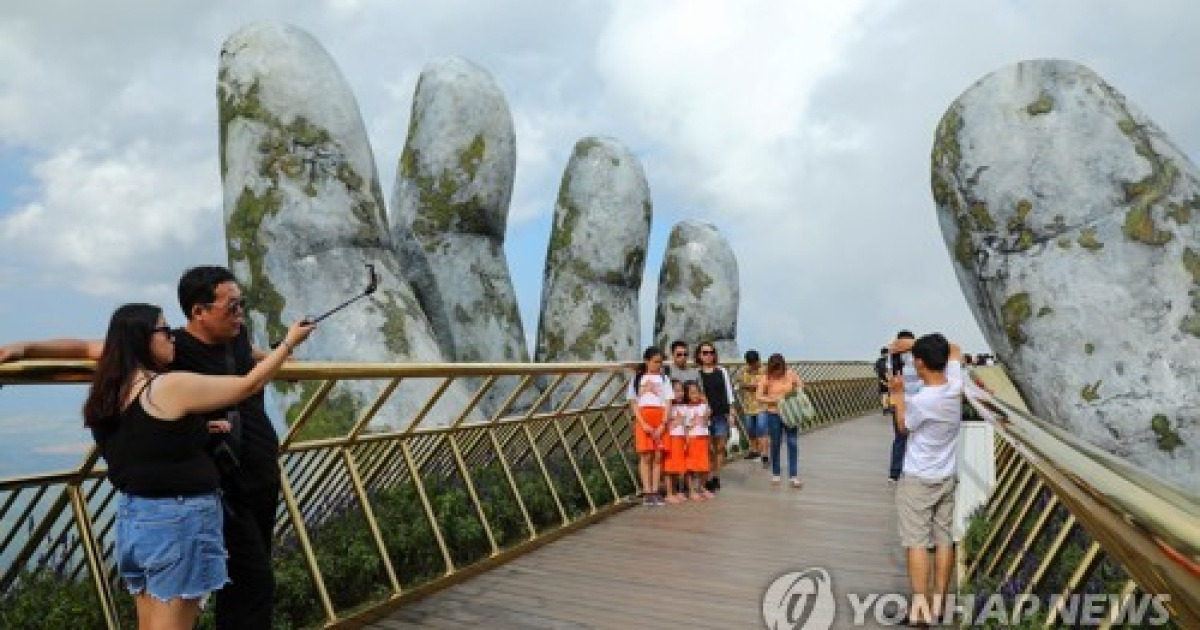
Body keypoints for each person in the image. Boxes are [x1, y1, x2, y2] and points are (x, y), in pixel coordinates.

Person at [1, 266, 290, 629]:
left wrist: (204, 427)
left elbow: (245, 362)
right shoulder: (170, 372)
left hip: (207, 497)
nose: (239, 314)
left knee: (170, 614)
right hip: (187, 512)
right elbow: (85, 346)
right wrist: (24, 347)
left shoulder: (229, 344)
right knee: (245, 588)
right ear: (199, 311)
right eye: (232, 306)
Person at [81, 302, 312, 629]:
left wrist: (198, 429)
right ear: (144, 339)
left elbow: (147, 442)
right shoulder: (167, 386)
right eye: (164, 330)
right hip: (177, 522)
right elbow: (247, 386)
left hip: (135, 519)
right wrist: (288, 344)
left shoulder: (110, 391)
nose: (172, 338)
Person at [888, 333, 963, 626]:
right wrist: (916, 344)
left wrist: (897, 396)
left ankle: (919, 611)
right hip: (946, 474)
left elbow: (903, 426)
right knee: (944, 539)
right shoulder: (955, 386)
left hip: (919, 478)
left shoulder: (922, 400)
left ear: (919, 363)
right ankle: (938, 606)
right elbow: (955, 348)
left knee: (917, 542)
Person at [628, 346, 671, 506]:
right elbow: (633, 402)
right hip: (644, 419)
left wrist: (663, 423)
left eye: (660, 362)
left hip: (660, 417)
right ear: (647, 361)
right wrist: (642, 423)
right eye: (655, 362)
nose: (658, 365)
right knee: (646, 455)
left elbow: (668, 401)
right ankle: (647, 491)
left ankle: (655, 489)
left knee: (658, 456)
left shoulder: (664, 379)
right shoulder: (637, 378)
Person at [756, 353, 805, 488]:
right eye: (775, 370)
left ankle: (793, 476)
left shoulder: (790, 374)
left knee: (792, 442)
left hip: (790, 413)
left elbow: (801, 386)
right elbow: (759, 396)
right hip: (773, 414)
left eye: (780, 370)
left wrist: (793, 395)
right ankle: (776, 473)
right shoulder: (765, 377)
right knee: (776, 443)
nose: (777, 373)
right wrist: (774, 400)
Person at [694, 341, 737, 492]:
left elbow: (729, 391)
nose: (708, 356)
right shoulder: (697, 373)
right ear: (699, 355)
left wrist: (731, 411)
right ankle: (706, 477)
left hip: (721, 414)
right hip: (706, 416)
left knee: (719, 447)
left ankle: (716, 477)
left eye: (711, 352)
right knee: (708, 449)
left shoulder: (721, 371)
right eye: (705, 353)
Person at [888, 330, 921, 484]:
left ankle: (896, 473)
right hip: (911, 401)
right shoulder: (918, 357)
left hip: (904, 400)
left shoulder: (894, 357)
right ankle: (902, 471)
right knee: (909, 437)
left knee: (901, 438)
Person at [681, 380, 715, 500]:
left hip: (703, 438)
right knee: (690, 466)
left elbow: (706, 422)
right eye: (692, 393)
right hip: (692, 439)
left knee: (704, 466)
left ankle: (702, 487)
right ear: (686, 395)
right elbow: (684, 426)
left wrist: (706, 406)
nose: (695, 395)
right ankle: (691, 490)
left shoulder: (702, 405)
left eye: (697, 392)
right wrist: (685, 441)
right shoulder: (685, 408)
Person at [738, 350, 768, 466]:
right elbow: (740, 383)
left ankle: (764, 454)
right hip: (749, 405)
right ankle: (755, 450)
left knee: (761, 429)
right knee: (750, 429)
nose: (754, 365)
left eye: (755, 363)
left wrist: (753, 386)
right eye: (751, 363)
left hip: (762, 405)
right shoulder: (744, 371)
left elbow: (767, 386)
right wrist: (748, 386)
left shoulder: (764, 371)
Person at [874, 347, 891, 413]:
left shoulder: (878, 361)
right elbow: (886, 371)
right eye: (887, 353)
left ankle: (885, 408)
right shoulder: (886, 361)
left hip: (881, 380)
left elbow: (875, 369)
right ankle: (886, 408)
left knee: (885, 394)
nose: (887, 354)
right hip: (886, 379)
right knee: (886, 394)